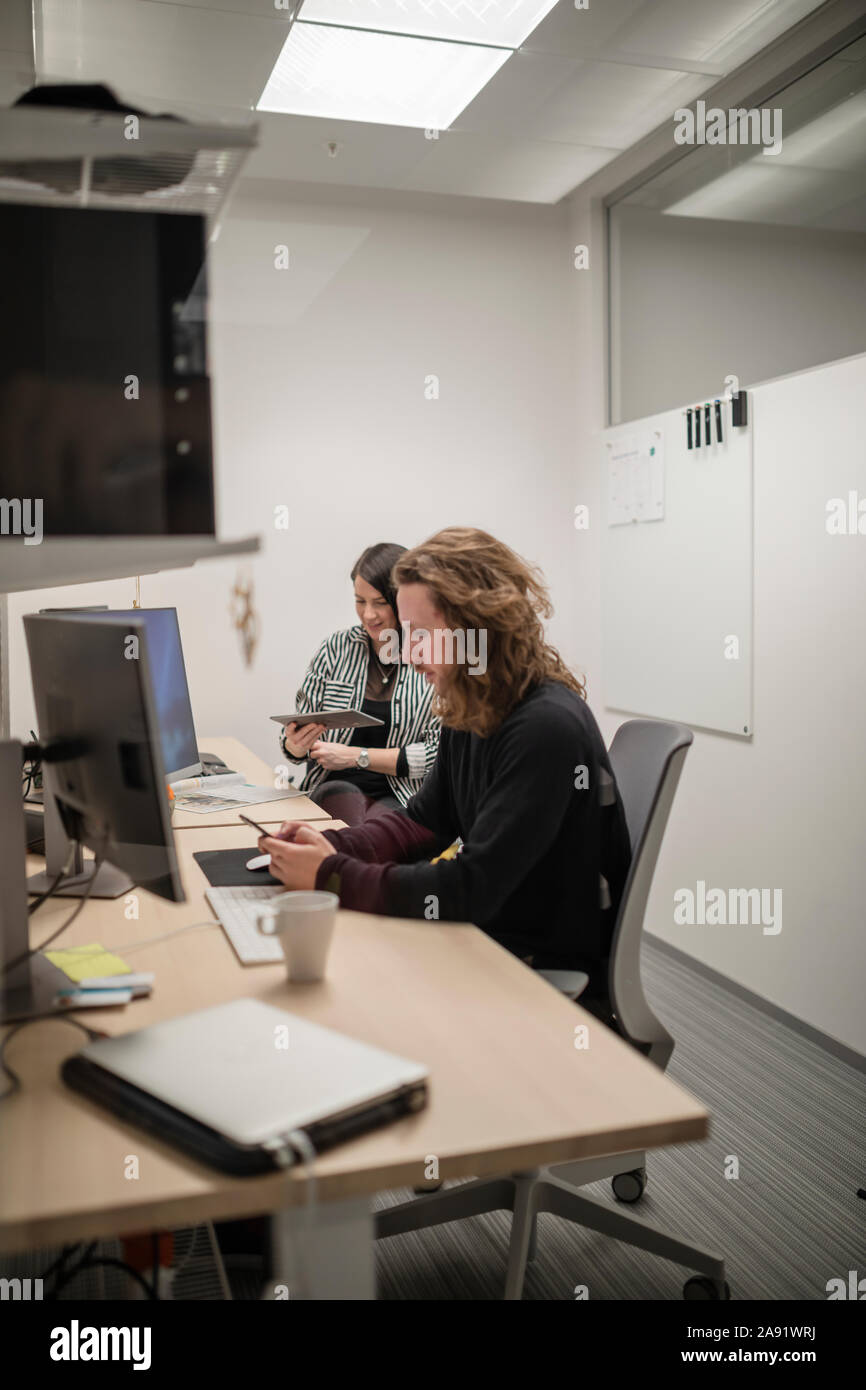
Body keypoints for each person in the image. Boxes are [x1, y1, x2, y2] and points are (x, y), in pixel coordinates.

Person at [262, 527, 632, 1016]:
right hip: (488, 936)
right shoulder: (473, 705)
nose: (408, 654)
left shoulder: (545, 729)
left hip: (532, 962)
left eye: (419, 635)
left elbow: (470, 891)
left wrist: (331, 876)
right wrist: (333, 846)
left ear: (475, 629)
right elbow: (423, 822)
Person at [280, 542, 440, 826]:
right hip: (332, 789)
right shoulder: (336, 649)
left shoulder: (430, 658)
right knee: (343, 799)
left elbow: (434, 756)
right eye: (359, 601)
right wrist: (295, 745)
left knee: (387, 823)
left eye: (379, 602)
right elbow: (297, 738)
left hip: (400, 796)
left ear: (401, 600)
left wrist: (357, 757)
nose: (368, 614)